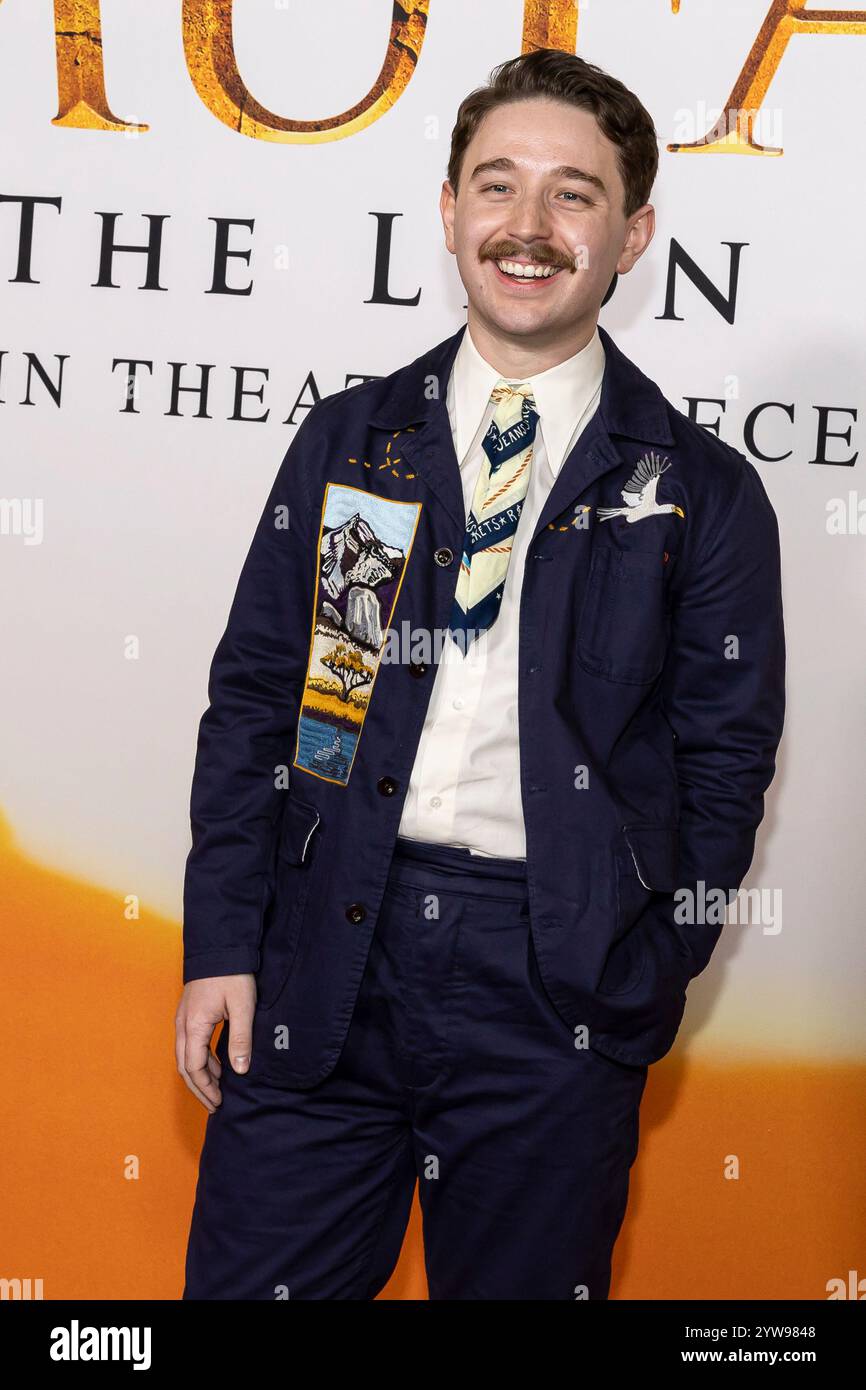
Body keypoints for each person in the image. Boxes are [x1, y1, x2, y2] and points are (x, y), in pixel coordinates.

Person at [176, 48, 785, 1300]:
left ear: (632, 234)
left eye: (573, 194)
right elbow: (266, 703)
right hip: (325, 951)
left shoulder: (699, 492)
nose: (527, 227)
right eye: (495, 187)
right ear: (448, 214)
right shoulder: (356, 441)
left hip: (553, 986)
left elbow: (724, 765)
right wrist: (225, 941)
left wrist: (639, 965)